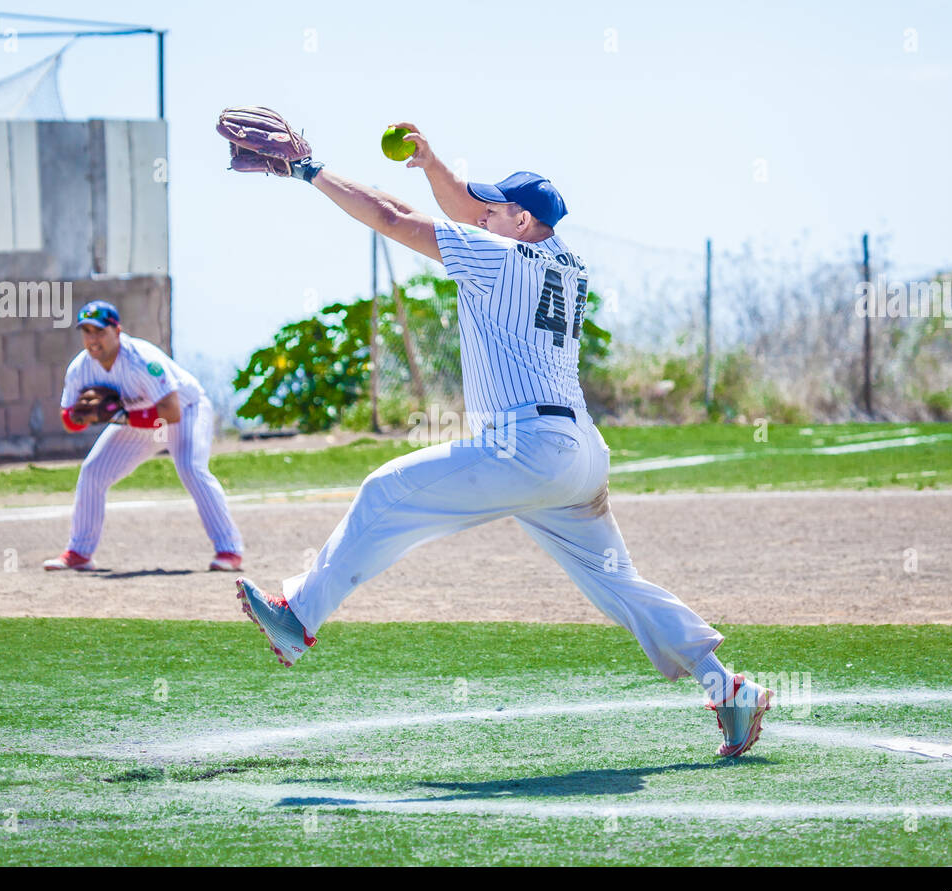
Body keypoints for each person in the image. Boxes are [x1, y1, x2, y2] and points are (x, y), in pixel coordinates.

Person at [233, 124, 770, 757]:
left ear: (518, 219)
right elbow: (460, 208)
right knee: (619, 583)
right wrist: (431, 162)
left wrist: (306, 169)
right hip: (579, 453)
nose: (481, 214)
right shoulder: (563, 260)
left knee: (385, 488)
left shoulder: (497, 256)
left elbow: (392, 215)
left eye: (495, 208)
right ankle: (728, 686)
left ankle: (297, 619)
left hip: (530, 447)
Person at [44, 300, 245, 573]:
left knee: (190, 468)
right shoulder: (80, 368)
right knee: (93, 472)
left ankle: (229, 549)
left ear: (117, 331)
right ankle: (79, 553)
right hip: (138, 417)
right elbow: (68, 421)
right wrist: (87, 417)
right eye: (87, 331)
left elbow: (171, 412)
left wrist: (119, 416)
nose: (93, 339)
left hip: (186, 410)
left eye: (100, 331)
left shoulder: (142, 359)